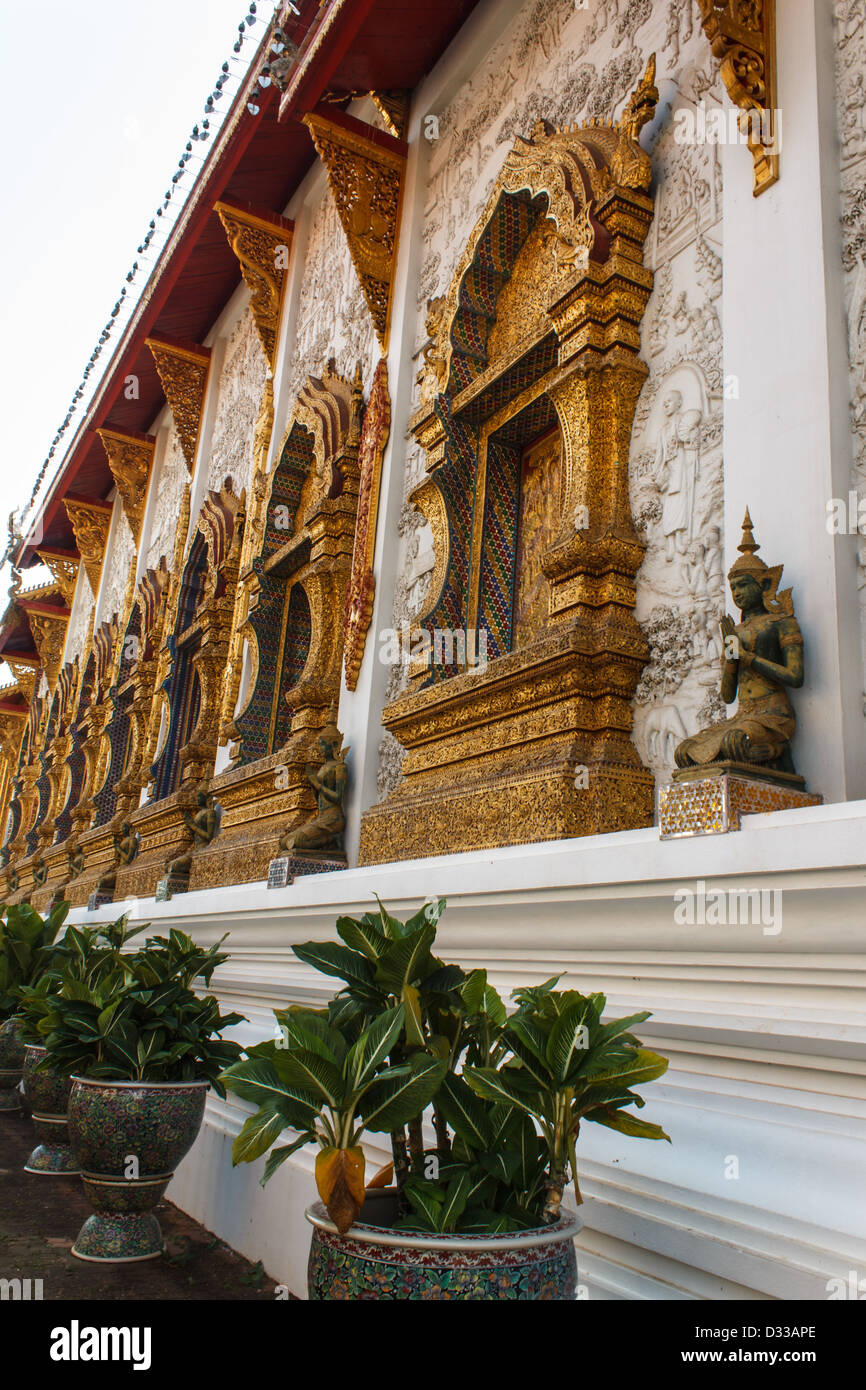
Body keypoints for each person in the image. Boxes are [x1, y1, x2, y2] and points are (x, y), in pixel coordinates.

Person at [674, 511, 803, 773]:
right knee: (686, 751)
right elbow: (727, 695)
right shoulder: (736, 631)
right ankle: (762, 753)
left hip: (774, 716)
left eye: (743, 585)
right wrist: (732, 658)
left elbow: (795, 676)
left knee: (735, 742)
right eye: (733, 588)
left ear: (764, 586)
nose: (737, 594)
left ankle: (776, 751)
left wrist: (749, 658)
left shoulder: (781, 623)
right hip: (743, 715)